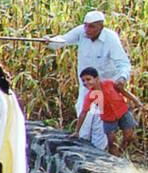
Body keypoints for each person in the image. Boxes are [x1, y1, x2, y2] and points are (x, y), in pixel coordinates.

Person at [47, 9, 133, 151]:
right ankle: (82, 151)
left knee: (99, 123)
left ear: (101, 27)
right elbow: (63, 40)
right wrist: (50, 41)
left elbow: (123, 63)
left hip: (104, 89)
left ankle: (98, 154)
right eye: (86, 25)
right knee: (84, 116)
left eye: (92, 26)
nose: (87, 29)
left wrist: (122, 78)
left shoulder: (110, 39)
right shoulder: (81, 32)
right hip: (86, 87)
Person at [72, 66, 143, 157]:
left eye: (88, 79)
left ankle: (120, 153)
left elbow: (123, 92)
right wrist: (77, 131)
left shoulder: (109, 83)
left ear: (97, 78)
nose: (86, 83)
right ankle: (114, 159)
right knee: (112, 142)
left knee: (129, 135)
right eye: (83, 81)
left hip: (122, 111)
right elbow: (83, 113)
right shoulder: (90, 95)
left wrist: (137, 102)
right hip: (108, 117)